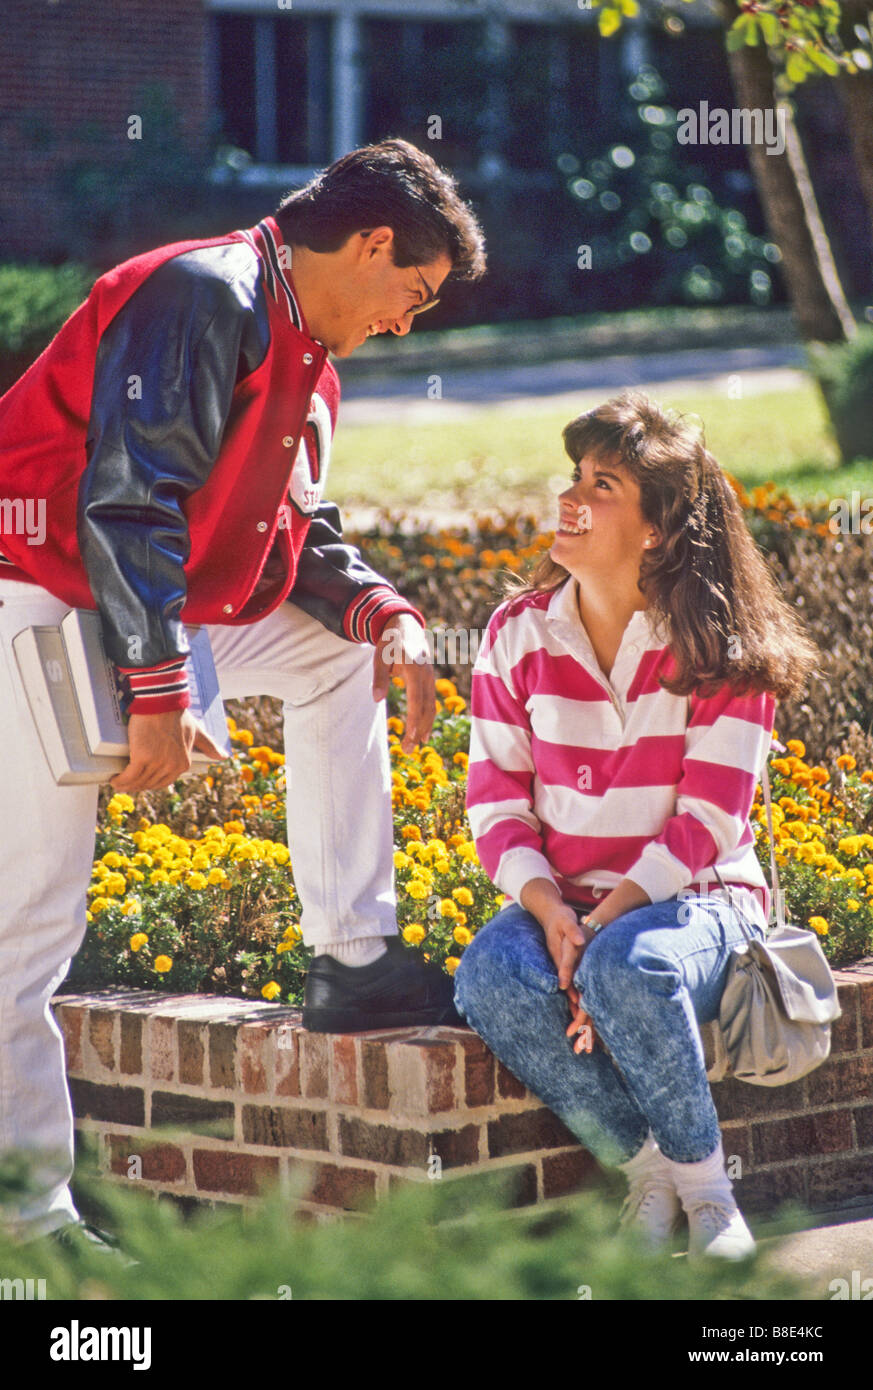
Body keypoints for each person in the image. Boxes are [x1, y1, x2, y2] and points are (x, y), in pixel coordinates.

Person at [0, 138, 485, 1240]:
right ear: (370, 245)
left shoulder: (304, 340)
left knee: (336, 656)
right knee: (25, 927)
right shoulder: (203, 291)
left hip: (127, 597)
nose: (410, 323)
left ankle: (355, 958)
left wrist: (389, 615)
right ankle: (24, 1226)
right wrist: (160, 691)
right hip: (27, 584)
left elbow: (290, 530)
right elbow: (132, 498)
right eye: (413, 292)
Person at [454, 391, 817, 1262]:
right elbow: (494, 802)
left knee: (629, 962)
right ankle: (646, 1168)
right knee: (490, 975)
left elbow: (707, 822)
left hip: (699, 902)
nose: (569, 499)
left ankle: (708, 1193)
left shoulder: (721, 650)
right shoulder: (516, 634)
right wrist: (550, 915)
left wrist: (601, 924)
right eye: (573, 476)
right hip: (568, 904)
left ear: (655, 528)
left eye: (602, 484)